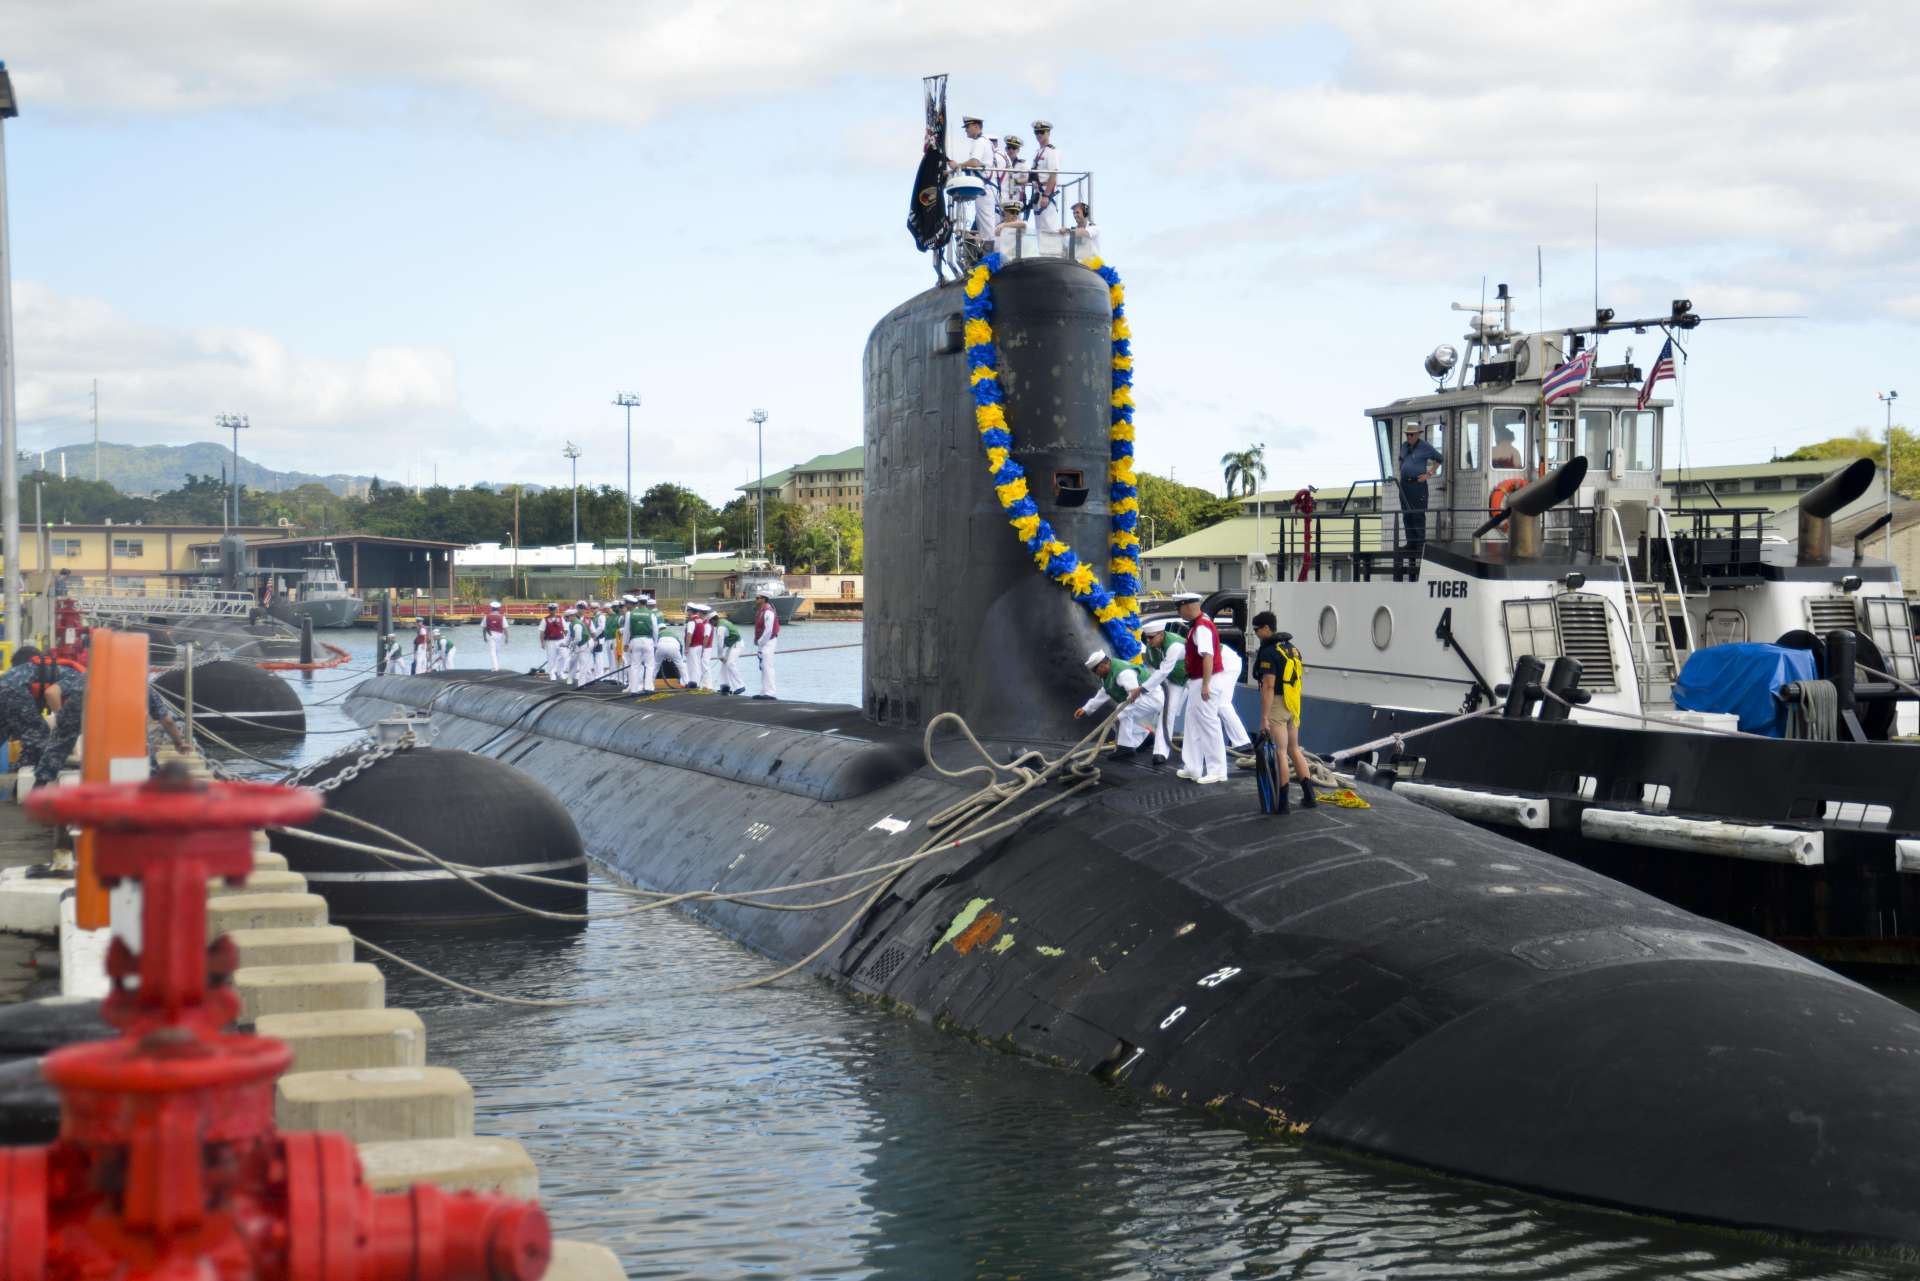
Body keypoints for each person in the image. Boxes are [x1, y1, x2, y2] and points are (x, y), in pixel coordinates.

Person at [1250, 612, 1318, 810]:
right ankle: (1309, 796)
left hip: (1278, 704)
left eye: (1256, 630)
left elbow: (1269, 686)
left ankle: (1282, 803)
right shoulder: (1292, 648)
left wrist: (1264, 717)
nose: (1255, 633)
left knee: (1280, 751)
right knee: (1294, 748)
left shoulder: (1269, 652)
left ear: (1266, 628)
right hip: (1293, 703)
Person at [1174, 592, 1231, 784]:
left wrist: (1206, 684)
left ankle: (1217, 770)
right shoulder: (1200, 624)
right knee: (1192, 723)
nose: (1179, 612)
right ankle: (1193, 766)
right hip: (1198, 680)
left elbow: (1207, 655)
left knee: (1208, 724)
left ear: (1188, 606)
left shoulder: (1201, 627)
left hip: (1206, 680)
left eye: (1179, 608)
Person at [1074, 648, 1167, 761]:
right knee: (1124, 714)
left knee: (1121, 711)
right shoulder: (1109, 673)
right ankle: (1147, 738)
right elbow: (1105, 692)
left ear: (1103, 665)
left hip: (1152, 698)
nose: (1095, 674)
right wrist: (1086, 709)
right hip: (1144, 699)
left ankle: (1125, 747)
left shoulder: (1123, 673)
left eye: (1095, 671)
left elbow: (1134, 697)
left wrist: (1117, 716)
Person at [1138, 618, 1188, 760]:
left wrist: (1143, 688)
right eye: (1146, 638)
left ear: (1161, 634)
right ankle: (1160, 752)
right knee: (1167, 711)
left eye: (1151, 638)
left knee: (1204, 711)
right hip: (1176, 679)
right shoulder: (1151, 648)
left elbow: (1164, 671)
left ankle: (1241, 743)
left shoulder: (1175, 645)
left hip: (1195, 677)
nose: (1148, 641)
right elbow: (1154, 670)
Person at [1398, 420, 1442, 552]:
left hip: (1418, 485)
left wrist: (1428, 474)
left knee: (1418, 515)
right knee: (1406, 515)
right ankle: (1410, 543)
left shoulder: (1425, 446)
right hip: (1404, 485)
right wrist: (1403, 471)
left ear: (1417, 435)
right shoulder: (1404, 446)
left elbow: (1440, 459)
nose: (1409, 437)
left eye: (1412, 435)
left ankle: (1420, 544)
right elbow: (1400, 459)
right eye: (1407, 435)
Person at [950, 115, 994, 237]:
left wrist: (958, 166)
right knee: (985, 223)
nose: (966, 130)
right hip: (985, 188)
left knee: (986, 225)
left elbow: (975, 162)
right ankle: (988, 252)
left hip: (984, 188)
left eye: (968, 127)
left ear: (976, 126)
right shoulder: (985, 141)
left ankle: (990, 254)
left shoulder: (979, 142)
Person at [1028, 121, 1061, 231]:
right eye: (1036, 132)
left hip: (1046, 194)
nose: (1039, 135)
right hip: (1038, 194)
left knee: (1050, 228)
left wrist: (1047, 195)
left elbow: (1053, 174)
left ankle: (1054, 249)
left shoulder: (1051, 151)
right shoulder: (1038, 152)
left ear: (1048, 133)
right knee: (1040, 229)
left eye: (1042, 132)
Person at [625, 594, 656, 694]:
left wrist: (626, 643)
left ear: (638, 602)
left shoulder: (630, 614)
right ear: (646, 602)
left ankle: (634, 689)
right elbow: (655, 630)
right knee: (649, 665)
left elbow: (627, 630)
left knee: (635, 665)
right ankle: (648, 687)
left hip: (635, 640)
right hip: (648, 641)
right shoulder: (651, 614)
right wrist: (655, 644)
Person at [753, 589, 780, 700]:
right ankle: (764, 691)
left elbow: (768, 630)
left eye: (758, 598)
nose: (756, 600)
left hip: (768, 641)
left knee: (768, 666)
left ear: (763, 599)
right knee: (763, 666)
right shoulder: (762, 610)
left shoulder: (768, 611)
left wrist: (760, 642)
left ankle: (770, 692)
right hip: (764, 642)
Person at [712, 612, 745, 695]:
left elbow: (720, 642)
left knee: (730, 663)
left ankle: (740, 685)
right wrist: (722, 655)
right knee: (724, 664)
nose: (711, 625)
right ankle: (725, 686)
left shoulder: (720, 627)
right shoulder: (723, 622)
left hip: (736, 644)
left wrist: (720, 655)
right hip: (732, 645)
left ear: (713, 620)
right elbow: (723, 642)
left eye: (710, 622)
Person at [683, 605, 709, 690]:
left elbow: (689, 635)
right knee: (697, 665)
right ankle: (697, 682)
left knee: (692, 666)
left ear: (691, 611)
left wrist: (686, 648)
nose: (687, 613)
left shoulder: (691, 622)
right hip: (699, 646)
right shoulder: (700, 621)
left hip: (693, 647)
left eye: (688, 611)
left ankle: (693, 683)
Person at [540, 604, 566, 680]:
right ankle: (552, 673)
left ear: (556, 609)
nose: (552, 611)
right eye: (551, 609)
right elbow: (541, 632)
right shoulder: (545, 620)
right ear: (549, 610)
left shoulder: (561, 618)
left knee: (564, 656)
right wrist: (542, 643)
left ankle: (560, 672)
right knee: (551, 658)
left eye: (554, 609)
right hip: (550, 641)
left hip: (561, 640)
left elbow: (565, 629)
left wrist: (566, 639)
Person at [481, 601, 508, 672]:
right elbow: (505, 628)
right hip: (500, 635)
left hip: (491, 634)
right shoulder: (502, 617)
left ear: (492, 608)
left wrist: (484, 637)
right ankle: (497, 666)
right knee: (497, 651)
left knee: (492, 651)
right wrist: (506, 638)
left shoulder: (487, 616)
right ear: (498, 609)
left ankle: (495, 667)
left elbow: (484, 628)